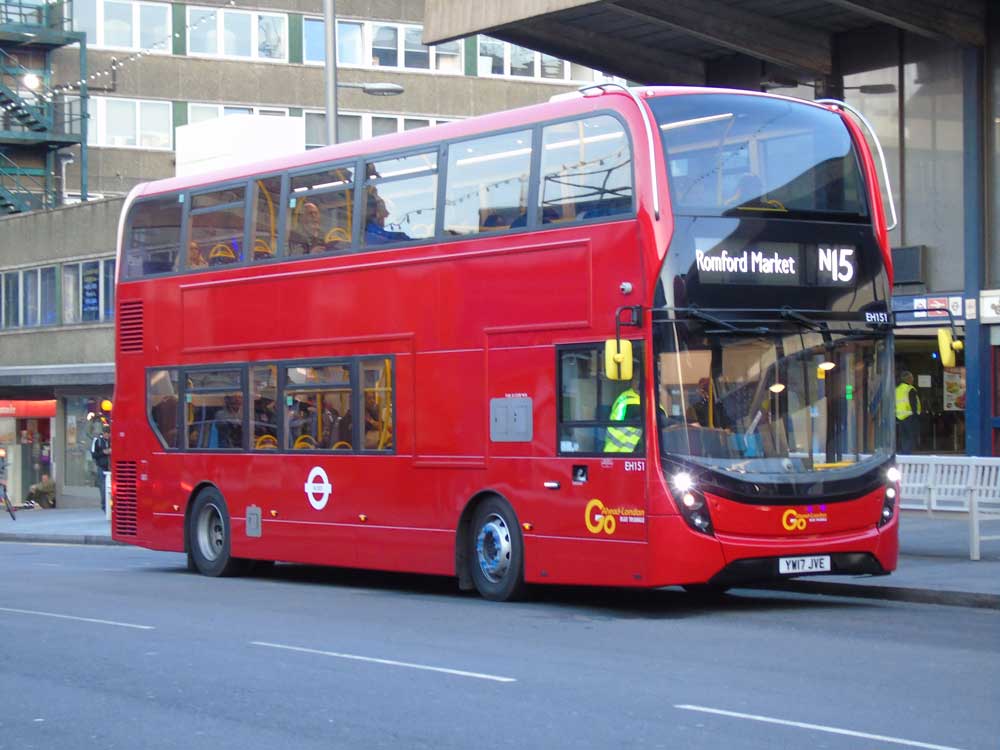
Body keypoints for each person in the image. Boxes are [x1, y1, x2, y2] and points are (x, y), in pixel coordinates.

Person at [604, 366, 642, 453]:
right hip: (617, 453)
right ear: (631, 382)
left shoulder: (651, 399)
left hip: (635, 453)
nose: (639, 383)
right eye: (637, 379)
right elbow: (638, 414)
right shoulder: (627, 399)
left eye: (641, 380)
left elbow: (661, 415)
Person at [895, 370, 921, 454]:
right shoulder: (910, 389)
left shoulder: (897, 389)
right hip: (909, 416)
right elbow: (913, 403)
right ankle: (907, 454)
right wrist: (916, 415)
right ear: (908, 379)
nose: (913, 379)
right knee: (910, 437)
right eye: (912, 377)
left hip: (899, 416)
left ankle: (903, 453)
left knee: (903, 437)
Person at [91, 426, 111, 511]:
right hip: (102, 467)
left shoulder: (112, 440)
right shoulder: (97, 441)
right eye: (106, 433)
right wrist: (103, 452)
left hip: (111, 467)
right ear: (103, 433)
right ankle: (104, 506)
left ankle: (110, 505)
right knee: (103, 487)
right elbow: (93, 454)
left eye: (108, 434)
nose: (107, 435)